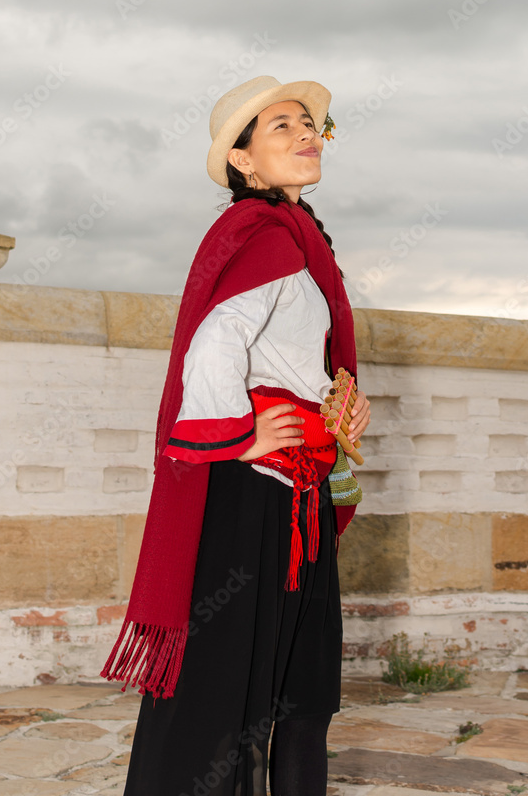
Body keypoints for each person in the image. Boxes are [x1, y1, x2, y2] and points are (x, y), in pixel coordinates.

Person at [101, 75, 371, 796]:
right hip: (251, 497)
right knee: (222, 698)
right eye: (280, 125)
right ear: (244, 163)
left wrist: (338, 405)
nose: (305, 131)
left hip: (297, 491)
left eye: (308, 122)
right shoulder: (259, 234)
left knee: (300, 695)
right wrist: (237, 436)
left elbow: (292, 362)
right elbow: (215, 343)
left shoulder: (299, 240)